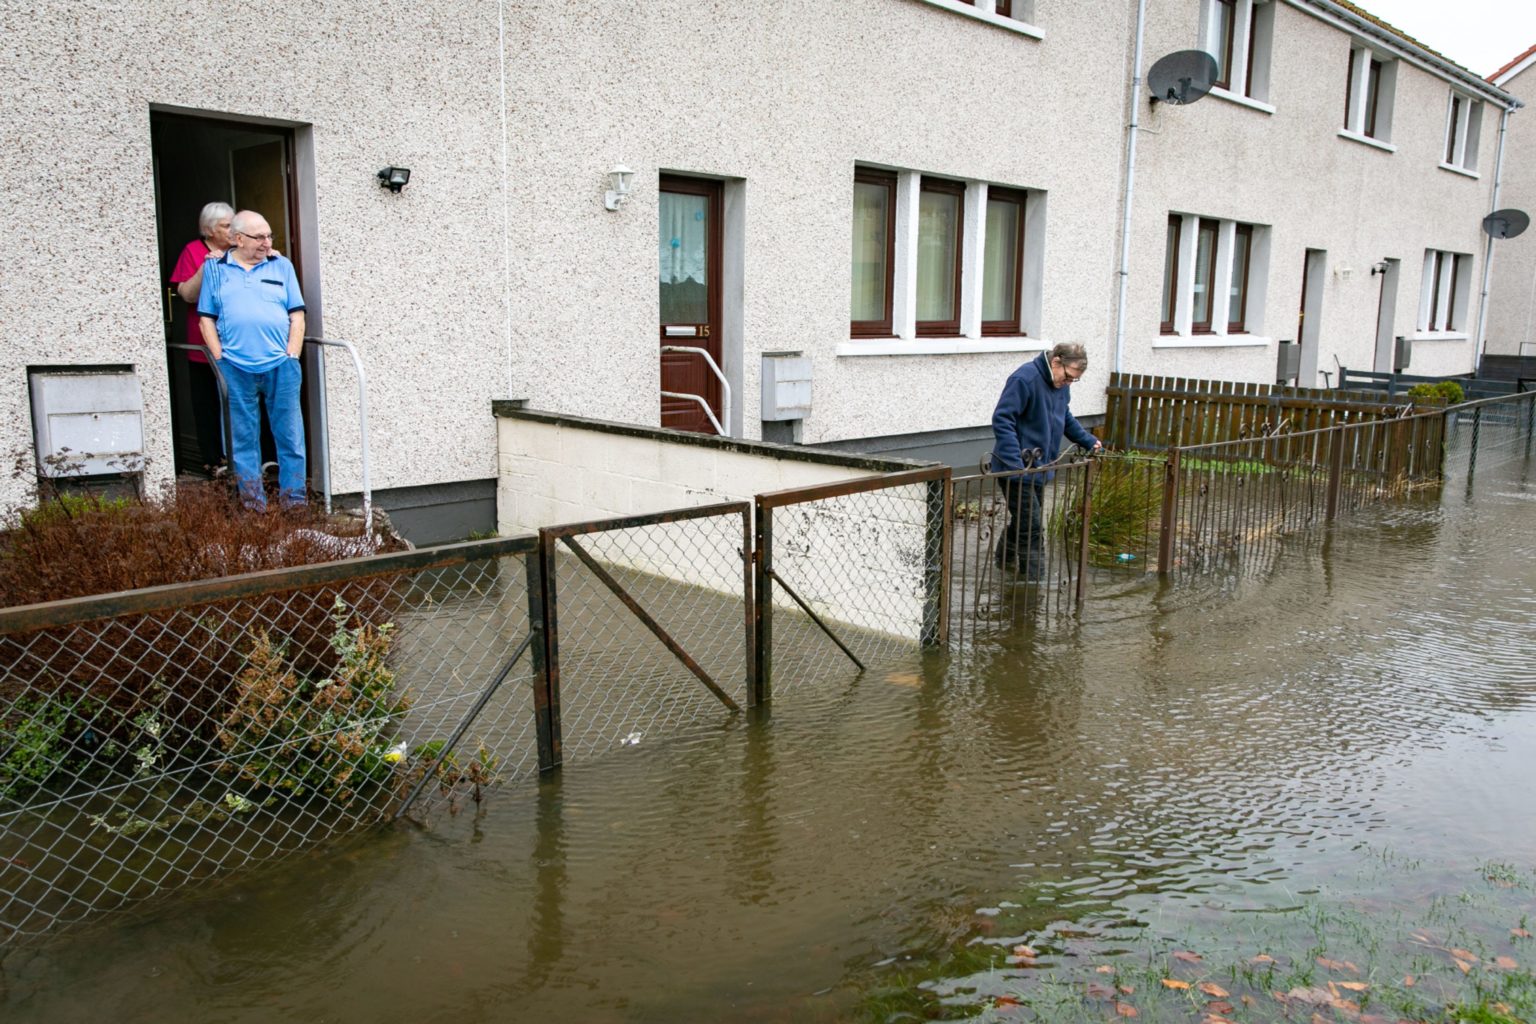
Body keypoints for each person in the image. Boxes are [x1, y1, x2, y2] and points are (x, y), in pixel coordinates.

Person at [197, 210, 307, 509]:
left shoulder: (281, 265)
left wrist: (292, 354)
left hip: (280, 366)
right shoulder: (215, 270)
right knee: (242, 441)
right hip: (235, 367)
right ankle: (252, 507)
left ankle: (295, 505)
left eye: (270, 236)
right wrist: (220, 359)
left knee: (290, 439)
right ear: (237, 239)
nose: (267, 242)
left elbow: (297, 315)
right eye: (259, 237)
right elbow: (206, 319)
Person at [989, 342, 1102, 579]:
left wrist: (1087, 440)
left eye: (1074, 380)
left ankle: (1002, 563)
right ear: (1056, 362)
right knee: (1032, 528)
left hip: (1041, 467)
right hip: (1016, 468)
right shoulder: (1024, 379)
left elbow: (1064, 416)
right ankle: (1033, 584)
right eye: (1068, 376)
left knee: (1024, 520)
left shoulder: (1061, 385)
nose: (1069, 383)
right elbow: (1003, 419)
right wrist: (1014, 464)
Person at [169, 201, 234, 471]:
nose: (233, 231)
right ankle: (211, 460)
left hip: (236, 343)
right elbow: (187, 294)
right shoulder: (193, 251)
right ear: (209, 230)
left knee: (236, 400)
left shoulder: (240, 251)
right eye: (226, 226)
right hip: (203, 345)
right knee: (206, 403)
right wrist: (206, 267)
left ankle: (237, 457)